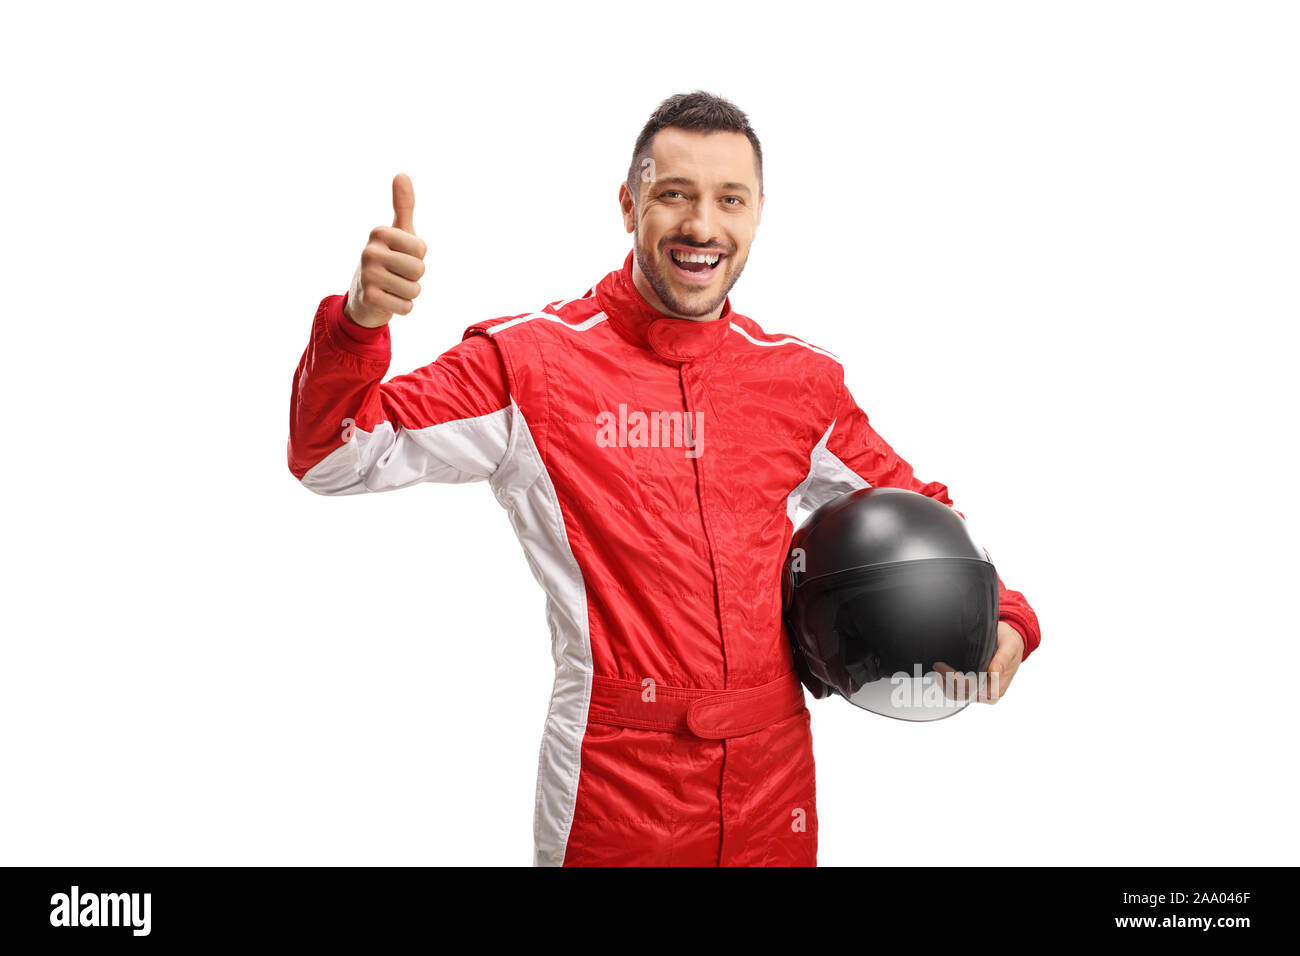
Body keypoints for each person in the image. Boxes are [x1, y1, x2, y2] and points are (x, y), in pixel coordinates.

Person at [287, 91, 1042, 866]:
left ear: (757, 214)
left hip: (773, 782)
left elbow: (915, 510)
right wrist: (357, 324)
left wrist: (1006, 615)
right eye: (674, 194)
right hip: (617, 793)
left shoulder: (797, 379)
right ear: (629, 204)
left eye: (730, 200)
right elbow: (335, 455)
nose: (702, 227)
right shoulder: (531, 364)